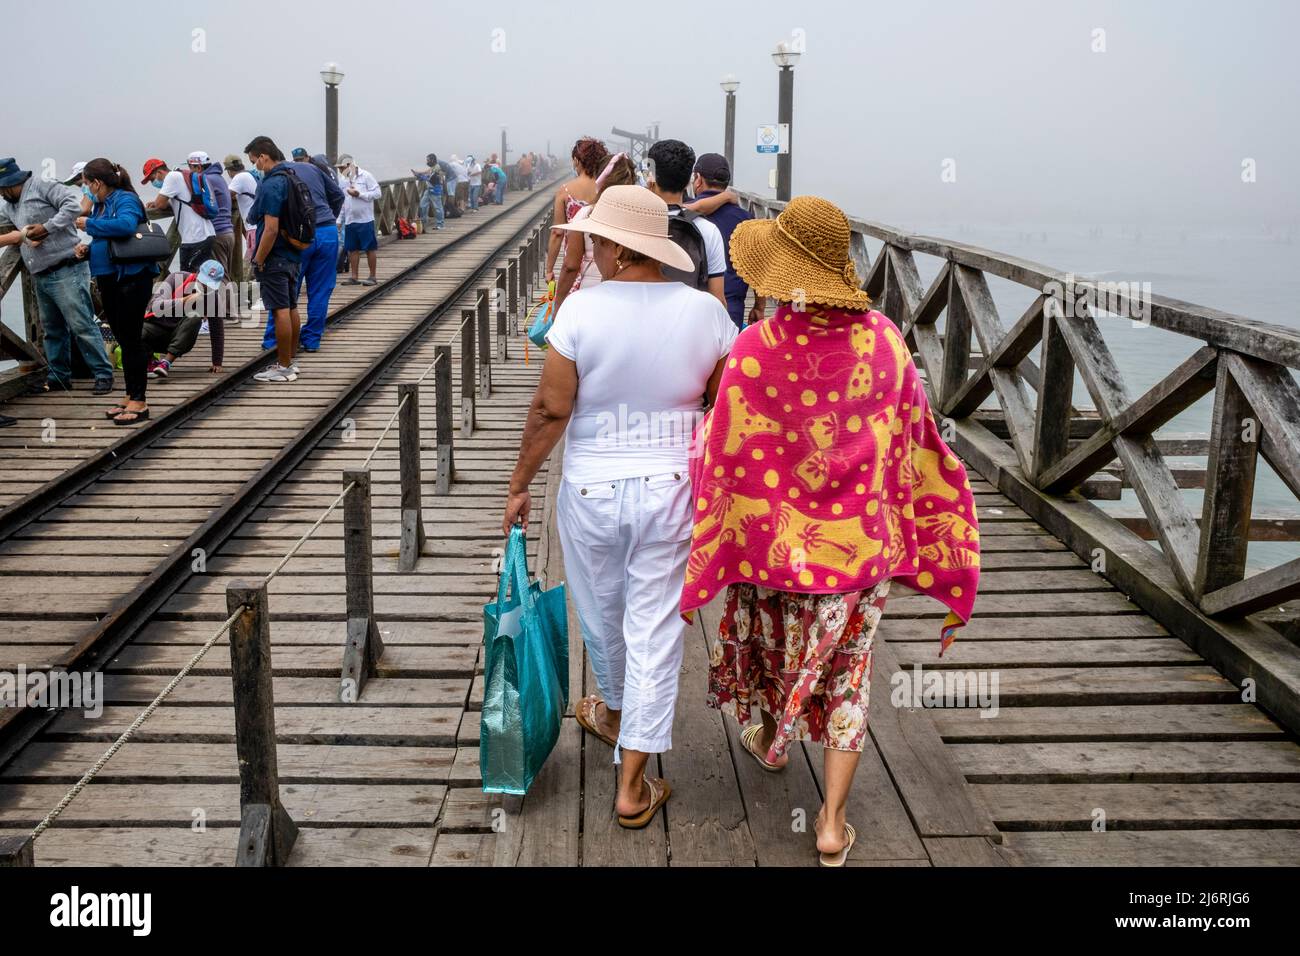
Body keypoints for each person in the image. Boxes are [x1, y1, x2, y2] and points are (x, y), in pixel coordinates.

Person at [681, 195, 982, 866]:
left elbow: (720, 450)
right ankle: (829, 823)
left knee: (768, 644)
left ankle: (768, 739)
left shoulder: (754, 350)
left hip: (773, 551)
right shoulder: (886, 342)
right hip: (860, 554)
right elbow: (917, 438)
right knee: (848, 676)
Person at [502, 185, 738, 830]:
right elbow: (721, 406)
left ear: (613, 245)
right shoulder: (707, 314)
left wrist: (520, 483)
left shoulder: (580, 312)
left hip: (590, 491)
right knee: (656, 627)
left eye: (597, 241)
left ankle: (611, 708)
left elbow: (552, 409)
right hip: (671, 491)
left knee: (602, 612)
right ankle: (633, 783)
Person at [0, 157, 116, 396]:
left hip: (66, 268)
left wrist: (46, 227)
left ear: (13, 182)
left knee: (81, 323)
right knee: (52, 329)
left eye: (2, 188)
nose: (1, 193)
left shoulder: (43, 185)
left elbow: (73, 207)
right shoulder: (10, 205)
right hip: (40, 274)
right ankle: (58, 377)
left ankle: (103, 373)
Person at [75, 158, 156, 424]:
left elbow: (125, 226)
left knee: (131, 338)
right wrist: (88, 249)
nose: (85, 189)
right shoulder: (101, 204)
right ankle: (130, 394)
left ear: (97, 183)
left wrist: (89, 224)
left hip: (132, 277)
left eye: (87, 184)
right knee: (122, 336)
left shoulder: (125, 199)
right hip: (109, 277)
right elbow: (107, 240)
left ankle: (140, 401)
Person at [244, 135, 304, 383]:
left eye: (254, 161)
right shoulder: (292, 177)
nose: (254, 166)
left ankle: (283, 367)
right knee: (291, 307)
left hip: (276, 255)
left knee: (279, 310)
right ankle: (290, 359)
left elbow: (269, 228)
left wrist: (258, 259)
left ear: (263, 157)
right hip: (292, 252)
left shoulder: (271, 184)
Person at [644, 139, 727, 307]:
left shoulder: (635, 223)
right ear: (689, 180)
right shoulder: (707, 230)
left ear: (651, 177)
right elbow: (717, 299)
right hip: (690, 323)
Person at [685, 153, 763, 330]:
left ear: (698, 179)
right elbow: (758, 264)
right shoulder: (746, 218)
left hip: (691, 305)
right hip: (732, 306)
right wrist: (759, 305)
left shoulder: (685, 214)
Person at [550, 152, 636, 314]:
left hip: (592, 289)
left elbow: (571, 265)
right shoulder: (638, 215)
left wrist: (558, 305)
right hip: (631, 291)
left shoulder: (585, 214)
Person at [280, 152, 345, 353]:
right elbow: (339, 195)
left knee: (288, 289)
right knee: (320, 289)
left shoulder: (279, 173)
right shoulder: (313, 168)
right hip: (327, 231)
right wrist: (328, 218)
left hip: (299, 236)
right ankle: (311, 340)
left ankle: (276, 340)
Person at [142, 259, 227, 377]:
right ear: (197, 274)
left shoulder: (213, 298)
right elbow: (155, 306)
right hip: (157, 329)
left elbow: (217, 330)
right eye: (203, 282)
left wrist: (217, 362)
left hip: (181, 338)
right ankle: (148, 361)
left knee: (195, 315)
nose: (205, 287)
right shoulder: (176, 278)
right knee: (138, 329)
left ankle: (166, 362)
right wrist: (184, 300)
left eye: (210, 285)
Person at [544, 137, 606, 283]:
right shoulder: (608, 189)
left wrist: (549, 270)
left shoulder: (565, 191)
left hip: (574, 264)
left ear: (577, 161)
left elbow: (557, 233)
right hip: (606, 265)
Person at [142, 157, 216, 271]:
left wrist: (156, 203)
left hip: (195, 237)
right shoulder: (179, 176)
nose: (153, 183)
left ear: (159, 172)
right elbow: (181, 201)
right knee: (199, 278)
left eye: (152, 179)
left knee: (189, 281)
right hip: (203, 234)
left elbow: (160, 204)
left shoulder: (171, 177)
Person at [335, 154, 381, 286]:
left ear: (349, 165)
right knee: (352, 249)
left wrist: (359, 194)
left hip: (365, 219)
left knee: (369, 248)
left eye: (341, 167)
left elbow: (377, 193)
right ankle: (354, 277)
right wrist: (339, 220)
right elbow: (344, 201)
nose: (340, 171)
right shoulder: (343, 181)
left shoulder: (366, 176)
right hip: (350, 220)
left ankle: (372, 276)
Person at [190, 152, 235, 278]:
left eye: (190, 168)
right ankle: (231, 298)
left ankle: (229, 298)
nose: (190, 173)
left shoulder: (206, 179)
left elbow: (194, 199)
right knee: (225, 275)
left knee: (218, 278)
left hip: (217, 232)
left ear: (198, 167)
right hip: (227, 232)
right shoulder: (218, 178)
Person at [224, 154, 258, 289]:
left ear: (228, 170)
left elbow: (225, 196)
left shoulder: (239, 178)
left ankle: (241, 295)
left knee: (250, 264)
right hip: (256, 226)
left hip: (253, 227)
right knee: (253, 263)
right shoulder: (249, 175)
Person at [414, 153, 446, 230]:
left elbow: (431, 178)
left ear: (432, 160)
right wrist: (419, 175)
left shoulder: (437, 168)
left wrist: (420, 176)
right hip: (429, 189)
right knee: (422, 205)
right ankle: (423, 223)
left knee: (438, 207)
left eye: (428, 160)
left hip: (435, 189)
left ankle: (440, 224)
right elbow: (427, 175)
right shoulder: (432, 167)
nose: (427, 162)